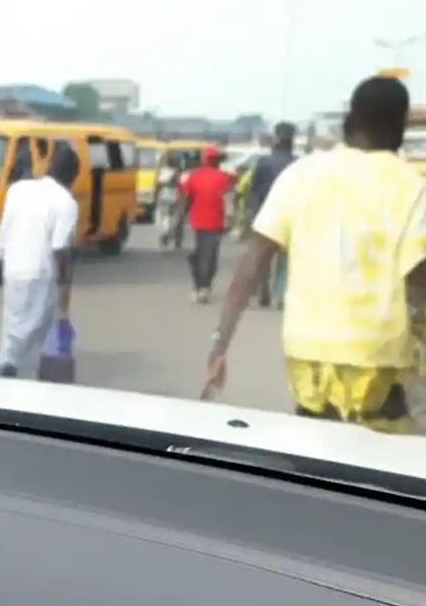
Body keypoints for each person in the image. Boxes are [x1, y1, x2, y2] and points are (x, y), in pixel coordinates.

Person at [206, 76, 426, 434]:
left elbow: (253, 263)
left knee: (319, 450)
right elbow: (417, 279)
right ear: (401, 123)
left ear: (350, 118)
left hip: (307, 356)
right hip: (378, 361)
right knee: (385, 463)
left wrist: (221, 344)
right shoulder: (412, 186)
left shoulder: (301, 174)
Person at [0, 144, 79, 379]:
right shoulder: (66, 202)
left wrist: (4, 258)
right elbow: (60, 248)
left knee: (11, 324)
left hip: (12, 267)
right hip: (40, 271)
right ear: (72, 176)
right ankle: (27, 380)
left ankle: (6, 366)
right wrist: (65, 286)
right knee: (39, 328)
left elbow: (4, 234)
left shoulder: (18, 190)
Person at [246, 122, 297, 308]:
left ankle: (263, 292)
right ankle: (280, 295)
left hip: (265, 216)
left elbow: (253, 191)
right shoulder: (298, 164)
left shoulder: (263, 163)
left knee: (263, 258)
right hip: (291, 218)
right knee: (284, 259)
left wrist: (251, 214)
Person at [177, 145, 234, 303]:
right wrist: (229, 220)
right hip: (215, 223)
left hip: (197, 223)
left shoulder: (193, 176)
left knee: (199, 255)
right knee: (209, 256)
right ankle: (204, 286)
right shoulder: (223, 177)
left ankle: (201, 286)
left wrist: (182, 215)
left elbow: (185, 196)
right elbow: (229, 199)